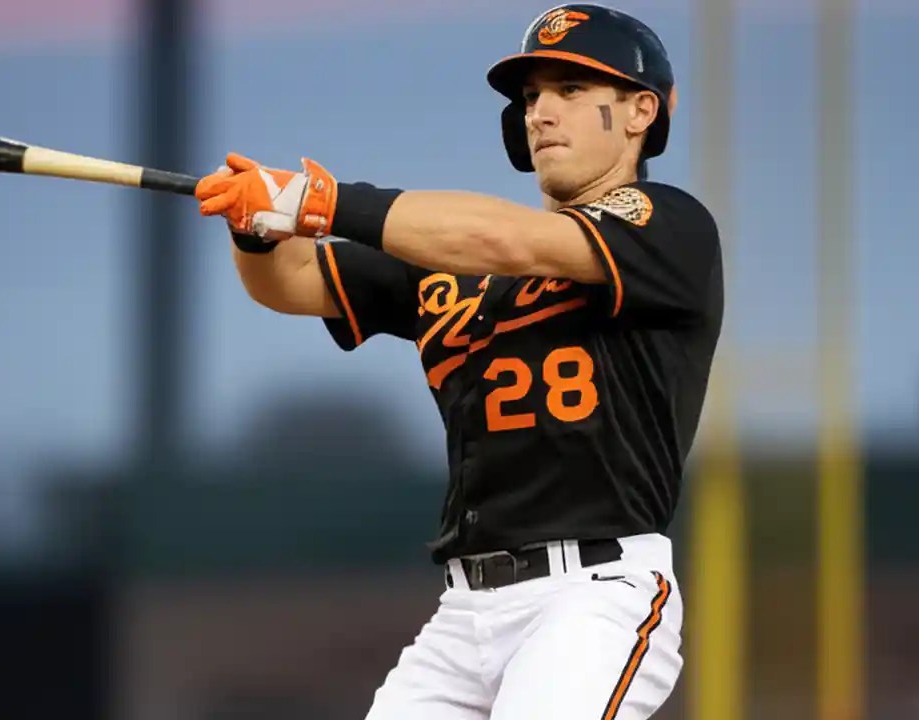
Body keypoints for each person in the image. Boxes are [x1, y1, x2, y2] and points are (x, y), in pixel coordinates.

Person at [192, 4, 724, 718]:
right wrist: (258, 227)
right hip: (464, 612)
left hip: (593, 597)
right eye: (531, 96)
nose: (541, 112)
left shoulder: (668, 226)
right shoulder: (452, 259)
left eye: (571, 89)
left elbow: (511, 242)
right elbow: (290, 282)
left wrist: (322, 201)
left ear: (640, 111)